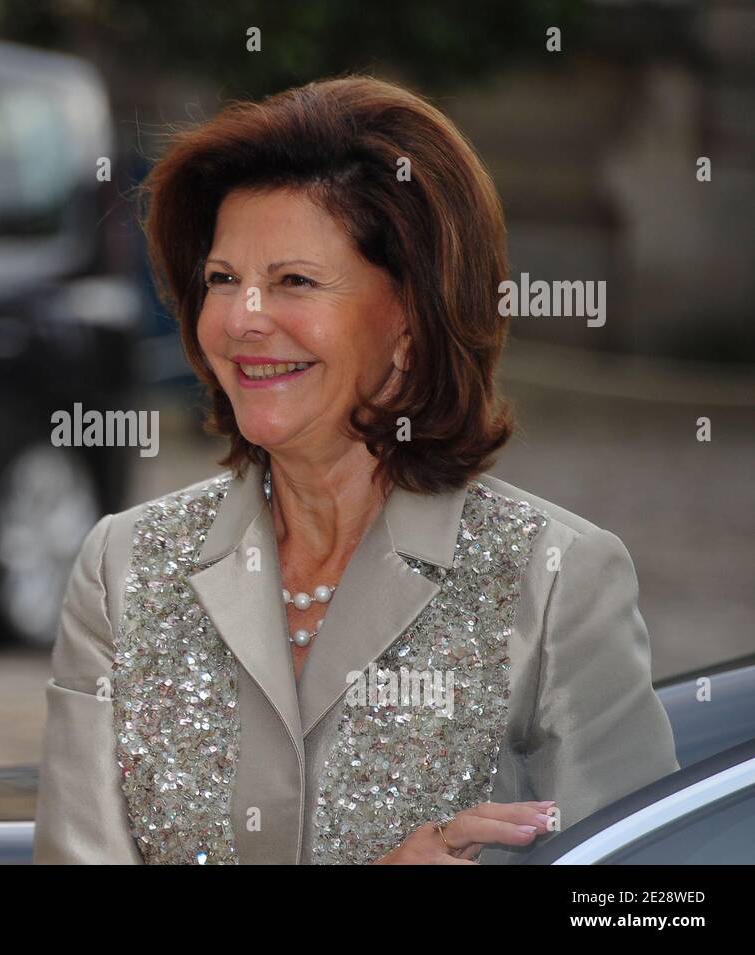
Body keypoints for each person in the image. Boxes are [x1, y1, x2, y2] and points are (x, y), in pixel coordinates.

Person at [33, 75, 678, 864]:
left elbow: (651, 904)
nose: (242, 320)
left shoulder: (554, 583)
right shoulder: (123, 569)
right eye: (223, 279)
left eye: (294, 281)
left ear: (411, 312)